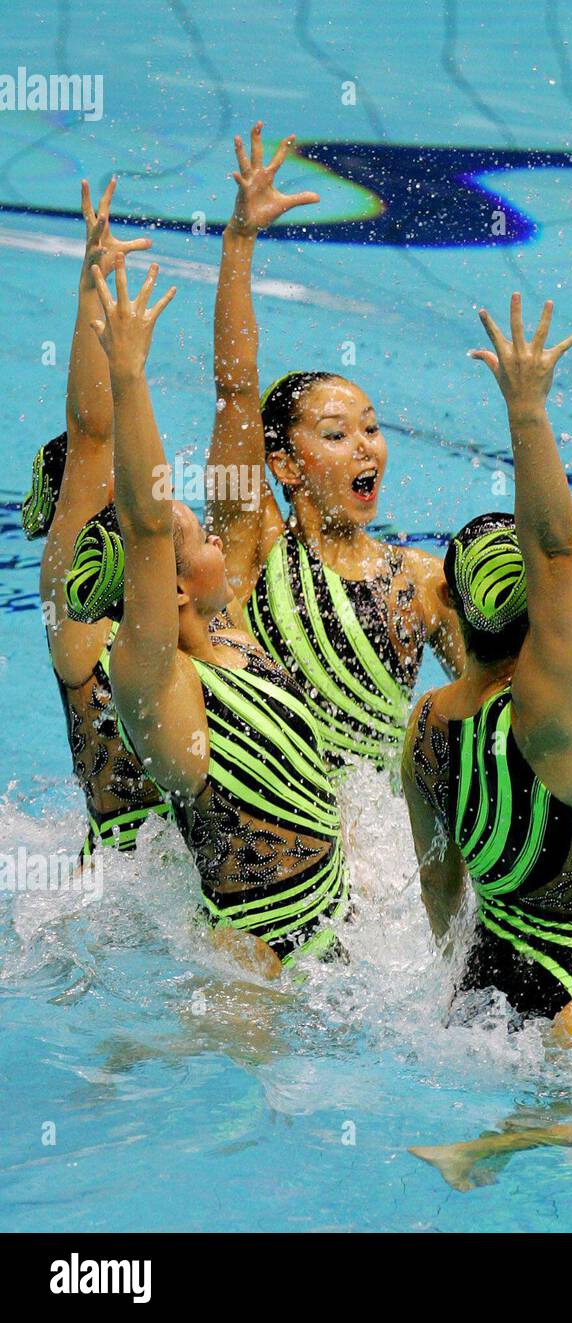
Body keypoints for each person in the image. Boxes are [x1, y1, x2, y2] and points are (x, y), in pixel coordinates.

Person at [84, 254, 350, 978]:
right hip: (258, 970)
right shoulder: (161, 690)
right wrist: (130, 376)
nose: (216, 536)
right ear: (164, 591)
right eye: (201, 538)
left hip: (338, 937)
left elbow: (236, 401)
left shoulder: (228, 626)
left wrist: (237, 242)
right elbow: (145, 524)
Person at [402, 294, 572, 1045]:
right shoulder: (544, 713)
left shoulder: (426, 727)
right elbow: (554, 551)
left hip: (486, 985)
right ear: (540, 616)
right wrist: (527, 412)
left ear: (445, 597)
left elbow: (439, 884)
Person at [206, 122, 462, 775]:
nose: (364, 447)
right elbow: (236, 391)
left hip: (378, 844)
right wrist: (239, 241)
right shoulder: (254, 545)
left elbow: (502, 701)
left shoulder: (421, 582)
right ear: (285, 464)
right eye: (336, 434)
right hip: (278, 833)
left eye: (371, 428)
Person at [34, 179, 168, 859]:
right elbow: (91, 433)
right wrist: (93, 288)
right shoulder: (82, 634)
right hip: (124, 885)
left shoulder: (184, 601)